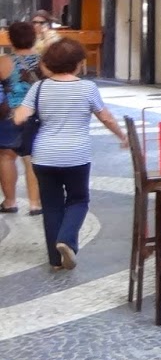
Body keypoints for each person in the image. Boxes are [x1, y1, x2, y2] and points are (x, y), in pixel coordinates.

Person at [13, 36, 127, 270]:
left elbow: (20, 117)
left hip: (43, 156)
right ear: (78, 63)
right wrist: (122, 136)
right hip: (76, 156)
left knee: (51, 205)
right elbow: (104, 117)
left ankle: (55, 260)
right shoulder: (87, 88)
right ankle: (66, 239)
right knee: (78, 200)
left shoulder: (39, 87)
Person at [0, 20, 40, 214]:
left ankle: (10, 201)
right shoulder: (45, 61)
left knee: (7, 157)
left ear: (10, 38)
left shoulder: (3, 61)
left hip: (9, 116)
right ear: (34, 37)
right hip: (36, 117)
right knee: (32, 159)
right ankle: (35, 204)